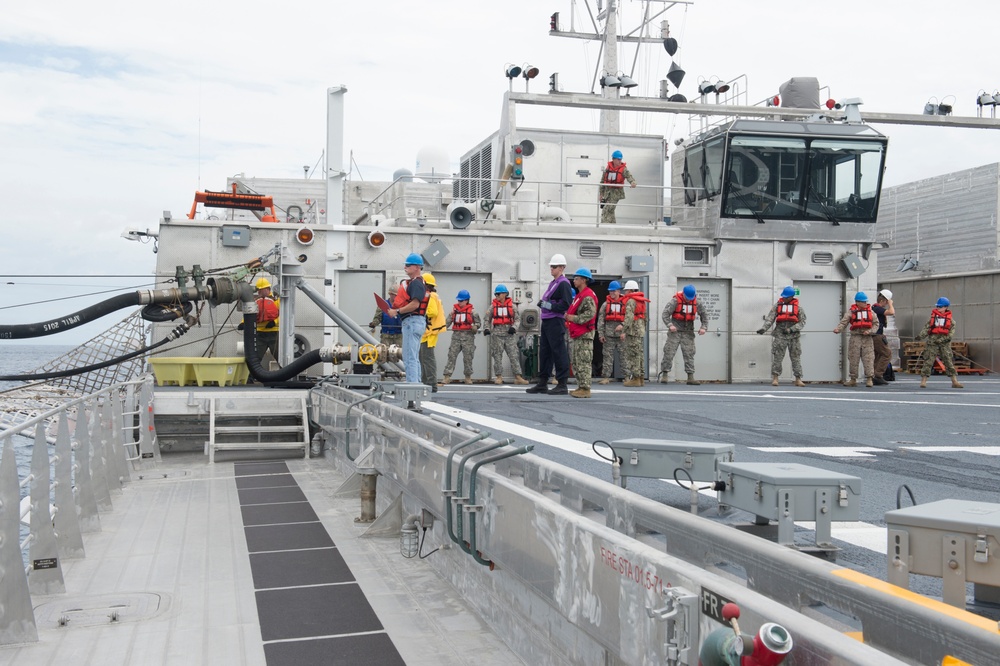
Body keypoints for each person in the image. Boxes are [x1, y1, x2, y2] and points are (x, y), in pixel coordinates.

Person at [526, 253, 573, 396]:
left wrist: (548, 305)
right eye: (551, 266)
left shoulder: (563, 283)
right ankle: (543, 382)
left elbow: (566, 304)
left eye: (554, 266)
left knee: (558, 351)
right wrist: (546, 304)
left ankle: (562, 383)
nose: (551, 268)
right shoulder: (554, 283)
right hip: (547, 321)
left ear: (562, 268)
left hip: (555, 321)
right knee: (545, 352)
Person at [386, 253, 427, 385]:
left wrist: (397, 311)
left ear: (417, 267)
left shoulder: (416, 283)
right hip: (416, 322)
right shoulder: (419, 283)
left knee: (409, 356)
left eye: (408, 265)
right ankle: (416, 384)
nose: (405, 267)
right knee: (413, 356)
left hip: (412, 321)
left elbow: (415, 304)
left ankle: (412, 385)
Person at [757, 286, 807, 387]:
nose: (784, 298)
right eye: (783, 296)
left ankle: (798, 379)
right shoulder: (777, 306)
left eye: (786, 297)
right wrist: (764, 328)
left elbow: (802, 322)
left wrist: (791, 329)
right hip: (780, 335)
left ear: (791, 297)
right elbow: (770, 318)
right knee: (777, 357)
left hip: (793, 336)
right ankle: (775, 378)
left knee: (796, 357)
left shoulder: (798, 308)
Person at [660, 284, 707, 385]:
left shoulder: (697, 302)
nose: (689, 300)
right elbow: (665, 314)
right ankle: (664, 375)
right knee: (669, 352)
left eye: (691, 298)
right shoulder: (675, 301)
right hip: (675, 331)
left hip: (688, 331)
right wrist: (670, 325)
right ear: (683, 294)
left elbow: (704, 315)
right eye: (687, 297)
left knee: (689, 354)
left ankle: (690, 377)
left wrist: (703, 327)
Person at [917, 297, 964, 389]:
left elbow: (950, 334)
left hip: (944, 343)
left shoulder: (951, 321)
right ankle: (923, 381)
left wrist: (942, 340)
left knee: (948, 361)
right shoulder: (933, 318)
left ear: (946, 307)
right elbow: (927, 328)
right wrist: (920, 336)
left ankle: (954, 381)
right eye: (937, 306)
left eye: (940, 306)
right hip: (932, 342)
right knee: (928, 360)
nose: (938, 308)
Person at [565, 268, 598, 398]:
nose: (574, 281)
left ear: (584, 280)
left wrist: (572, 318)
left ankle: (585, 388)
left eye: (576, 278)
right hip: (578, 333)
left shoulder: (587, 296)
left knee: (583, 361)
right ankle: (581, 386)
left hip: (584, 334)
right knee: (577, 360)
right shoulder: (581, 295)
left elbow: (590, 314)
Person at [485, 284, 528, 385]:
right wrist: (487, 328)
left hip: (509, 334)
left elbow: (517, 319)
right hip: (497, 334)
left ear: (505, 294)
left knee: (513, 355)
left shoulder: (512, 306)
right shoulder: (492, 307)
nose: (497, 296)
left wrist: (514, 327)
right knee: (497, 356)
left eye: (499, 294)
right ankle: (499, 377)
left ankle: (518, 377)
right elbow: (487, 319)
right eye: (496, 294)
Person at [833, 292, 877, 387]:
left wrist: (870, 331)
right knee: (853, 358)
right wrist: (838, 329)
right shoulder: (851, 312)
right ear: (857, 302)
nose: (865, 303)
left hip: (867, 338)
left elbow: (876, 324)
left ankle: (869, 379)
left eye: (865, 302)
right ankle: (853, 379)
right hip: (855, 338)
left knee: (869, 358)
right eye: (863, 302)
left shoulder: (871, 312)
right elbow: (844, 322)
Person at [441, 289, 481, 385]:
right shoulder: (454, 312)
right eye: (458, 300)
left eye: (461, 300)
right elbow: (446, 323)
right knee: (451, 356)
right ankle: (447, 377)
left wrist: (475, 327)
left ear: (466, 300)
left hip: (468, 338)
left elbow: (478, 323)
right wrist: (448, 317)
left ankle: (468, 377)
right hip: (456, 337)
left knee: (468, 358)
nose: (459, 302)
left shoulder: (473, 312)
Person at [419, 273, 446, 393]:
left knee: (427, 359)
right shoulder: (433, 295)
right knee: (423, 358)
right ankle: (426, 382)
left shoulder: (430, 296)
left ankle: (431, 384)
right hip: (428, 332)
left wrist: (420, 311)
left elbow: (433, 312)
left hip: (430, 332)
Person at [620, 280, 649, 387]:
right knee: (639, 354)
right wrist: (643, 329)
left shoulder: (631, 301)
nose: (625, 292)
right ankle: (641, 378)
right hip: (640, 330)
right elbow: (646, 317)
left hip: (632, 331)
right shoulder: (641, 301)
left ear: (630, 290)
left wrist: (624, 331)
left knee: (633, 354)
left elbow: (629, 317)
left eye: (626, 290)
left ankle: (636, 378)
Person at [597, 280, 625, 384]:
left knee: (624, 356)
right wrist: (601, 334)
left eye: (614, 291)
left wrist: (623, 326)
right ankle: (606, 377)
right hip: (608, 335)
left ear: (619, 291)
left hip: (622, 335)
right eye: (610, 291)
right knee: (607, 356)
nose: (612, 293)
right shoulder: (605, 305)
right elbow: (601, 320)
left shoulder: (625, 303)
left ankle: (627, 377)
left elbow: (630, 318)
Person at [599, 150, 637, 225]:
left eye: (621, 159)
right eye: (618, 159)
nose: (620, 161)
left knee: (606, 210)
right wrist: (601, 193)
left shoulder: (623, 169)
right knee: (610, 211)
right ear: (613, 159)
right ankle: (612, 226)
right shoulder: (608, 168)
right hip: (607, 193)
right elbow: (602, 181)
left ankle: (604, 226)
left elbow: (629, 176)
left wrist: (633, 182)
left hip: (616, 194)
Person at [253, 277, 280, 365]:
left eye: (261, 290)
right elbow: (250, 313)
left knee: (280, 357)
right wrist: (243, 322)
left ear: (267, 289)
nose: (259, 292)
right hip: (260, 334)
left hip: (274, 333)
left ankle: (286, 372)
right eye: (258, 290)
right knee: (255, 358)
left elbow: (284, 315)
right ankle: (252, 374)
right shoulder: (256, 301)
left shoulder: (276, 300)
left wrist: (274, 322)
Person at [871, 289, 894, 385]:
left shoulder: (874, 308)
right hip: (877, 336)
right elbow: (891, 312)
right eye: (886, 302)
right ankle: (878, 375)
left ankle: (874, 375)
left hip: (875, 335)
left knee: (877, 355)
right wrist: (891, 304)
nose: (886, 304)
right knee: (887, 354)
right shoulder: (877, 308)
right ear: (883, 300)